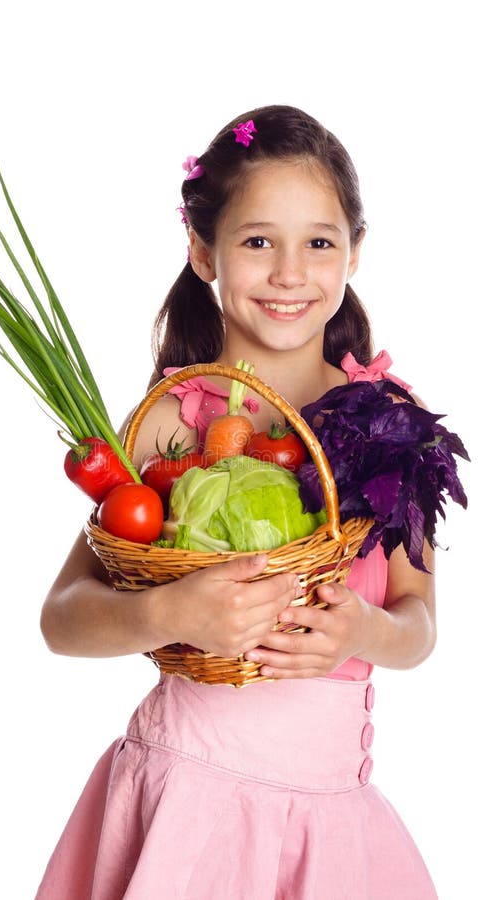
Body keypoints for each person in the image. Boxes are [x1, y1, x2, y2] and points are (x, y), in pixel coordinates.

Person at [35, 105, 438, 899]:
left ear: (355, 253)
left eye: (319, 242)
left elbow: (420, 619)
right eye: (258, 241)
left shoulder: (387, 425)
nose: (290, 273)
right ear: (202, 250)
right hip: (188, 805)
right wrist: (169, 613)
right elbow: (62, 615)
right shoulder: (169, 422)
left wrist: (366, 629)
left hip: (329, 825)